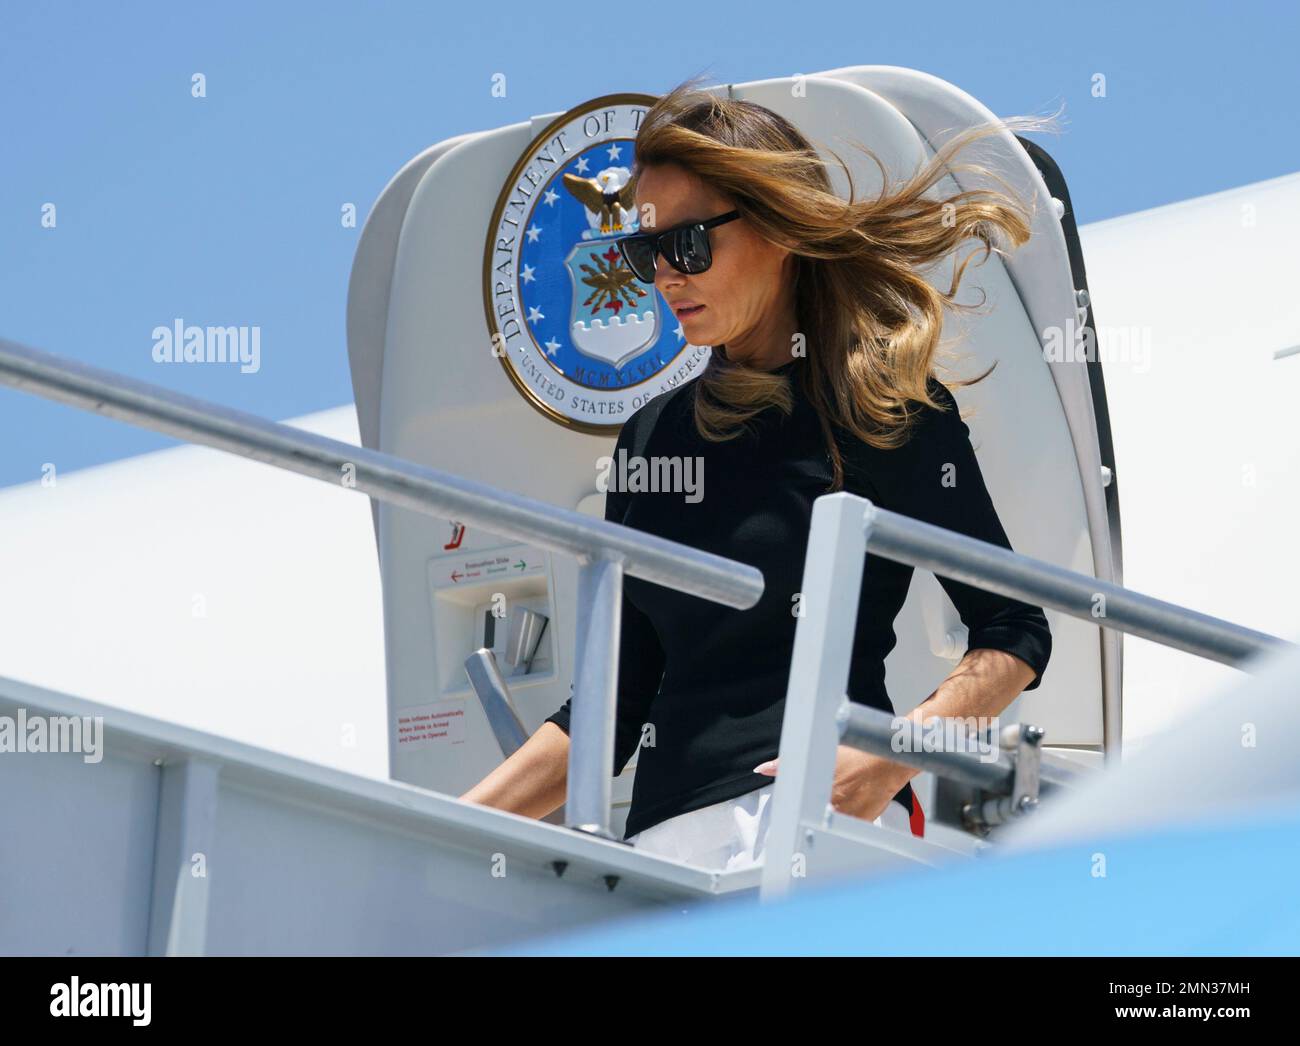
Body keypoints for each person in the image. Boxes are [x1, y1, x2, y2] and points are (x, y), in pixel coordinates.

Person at [461, 78, 1055, 871]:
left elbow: (1014, 632)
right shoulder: (650, 438)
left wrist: (885, 761)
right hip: (662, 857)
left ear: (777, 229)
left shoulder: (883, 408)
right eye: (645, 251)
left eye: (691, 244)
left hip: (823, 829)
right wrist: (432, 823)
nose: (666, 275)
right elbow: (611, 709)